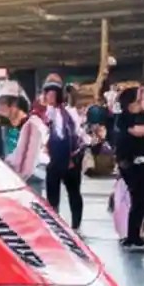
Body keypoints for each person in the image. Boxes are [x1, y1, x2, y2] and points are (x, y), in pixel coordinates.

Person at [114, 86, 144, 253]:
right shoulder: (125, 119)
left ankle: (136, 235)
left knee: (142, 202)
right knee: (138, 201)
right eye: (138, 101)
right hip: (133, 166)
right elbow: (141, 131)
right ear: (129, 104)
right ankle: (133, 238)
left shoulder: (139, 117)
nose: (142, 103)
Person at [41, 78, 85, 230]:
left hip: (70, 158)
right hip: (53, 159)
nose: (50, 97)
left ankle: (76, 225)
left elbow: (76, 134)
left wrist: (73, 156)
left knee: (74, 192)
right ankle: (55, 225)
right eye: (48, 93)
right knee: (52, 195)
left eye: (53, 94)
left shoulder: (69, 113)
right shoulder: (44, 113)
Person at [0, 94, 47, 194]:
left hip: (28, 180)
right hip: (20, 178)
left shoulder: (32, 125)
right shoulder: (10, 127)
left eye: (13, 112)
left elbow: (28, 162)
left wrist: (17, 181)